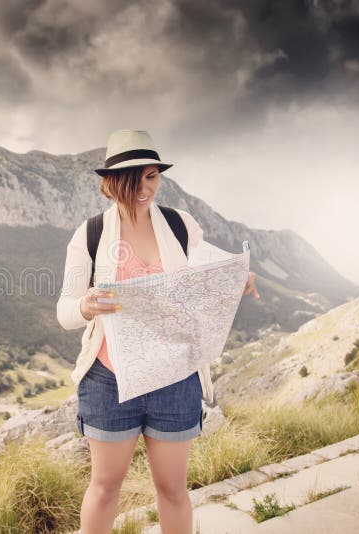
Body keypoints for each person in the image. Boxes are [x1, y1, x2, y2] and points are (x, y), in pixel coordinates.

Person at [56, 129, 259, 533]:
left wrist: (239, 276)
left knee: (172, 489)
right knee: (104, 488)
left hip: (174, 377)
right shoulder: (91, 234)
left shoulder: (180, 224)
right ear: (112, 185)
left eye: (152, 176)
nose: (146, 188)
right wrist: (86, 305)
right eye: (136, 180)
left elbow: (210, 270)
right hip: (108, 379)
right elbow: (65, 311)